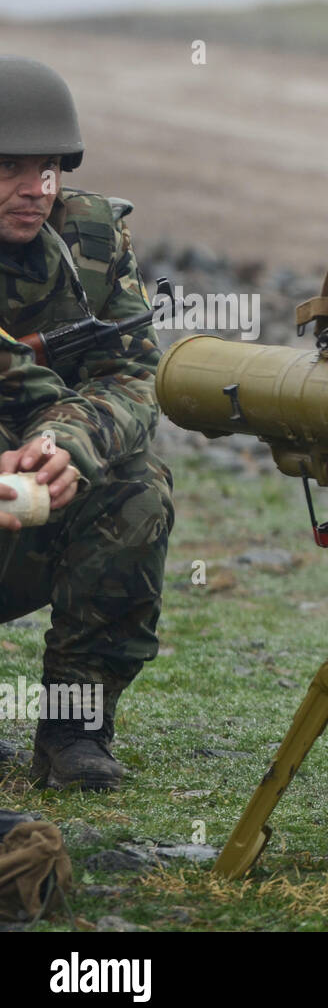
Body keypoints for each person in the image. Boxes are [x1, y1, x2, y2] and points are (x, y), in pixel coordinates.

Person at [0, 55, 173, 791]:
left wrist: (62, 443)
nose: (36, 189)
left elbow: (135, 376)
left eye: (49, 168)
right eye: (10, 167)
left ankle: (74, 733)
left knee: (137, 489)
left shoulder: (93, 242)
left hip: (28, 492)